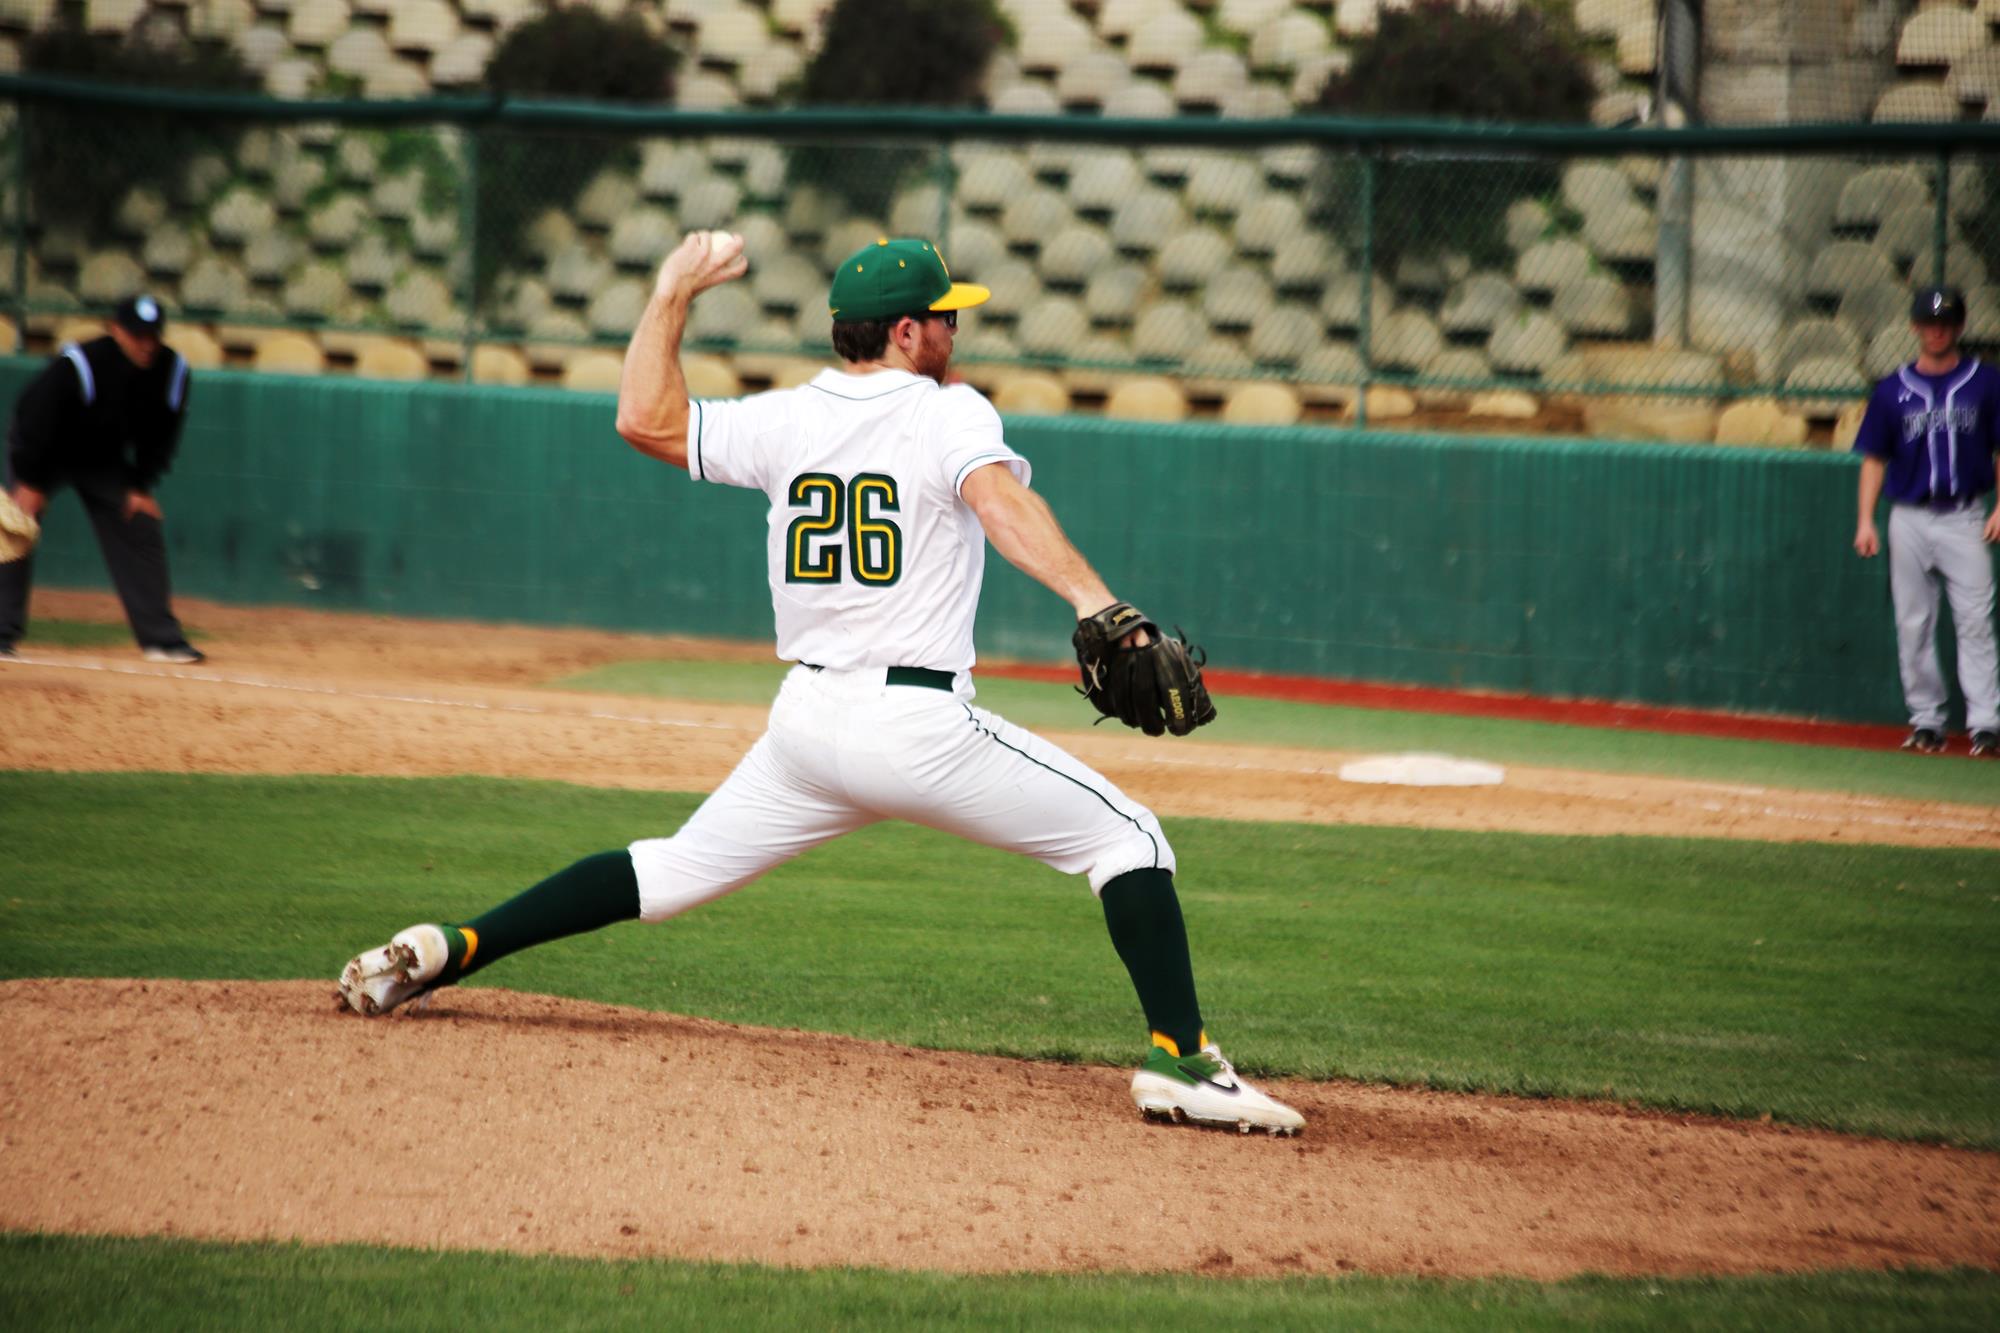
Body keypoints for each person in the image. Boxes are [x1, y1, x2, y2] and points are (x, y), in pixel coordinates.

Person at [336, 233, 1303, 1135]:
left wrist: (670, 291)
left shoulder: (786, 416)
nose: (958, 331)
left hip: (806, 725)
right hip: (913, 724)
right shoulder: (946, 410)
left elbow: (643, 417)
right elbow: (1000, 502)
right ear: (907, 331)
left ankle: (449, 946)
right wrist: (1102, 604)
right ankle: (1182, 1061)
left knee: (670, 869)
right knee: (1127, 835)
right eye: (947, 316)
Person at [0, 294, 203, 663]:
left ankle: (161, 639)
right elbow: (33, 417)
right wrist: (29, 481)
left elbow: (163, 434)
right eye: (137, 334)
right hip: (46, 449)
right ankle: (1, 632)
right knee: (15, 527)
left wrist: (141, 485)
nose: (146, 344)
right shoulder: (81, 363)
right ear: (116, 330)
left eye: (153, 335)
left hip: (102, 458)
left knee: (140, 522)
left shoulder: (171, 371)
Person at [1852, 285, 2000, 758]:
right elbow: (1874, 459)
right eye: (1930, 323)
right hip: (1909, 517)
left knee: (1975, 621)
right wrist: (1865, 521)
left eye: (1947, 323)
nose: (1938, 330)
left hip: (1963, 515)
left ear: (1959, 327)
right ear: (1916, 327)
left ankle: (1986, 725)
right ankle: (1927, 721)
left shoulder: (1986, 382)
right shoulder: (1891, 390)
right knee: (1913, 623)